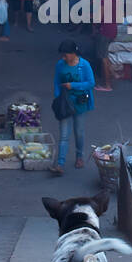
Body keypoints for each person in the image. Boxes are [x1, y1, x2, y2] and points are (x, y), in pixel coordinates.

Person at [51, 39, 95, 176]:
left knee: (79, 132)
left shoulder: (84, 65)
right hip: (65, 103)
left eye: (66, 54)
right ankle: (60, 163)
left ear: (73, 53)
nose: (64, 57)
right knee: (64, 135)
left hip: (80, 103)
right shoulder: (60, 65)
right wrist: (58, 98)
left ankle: (79, 157)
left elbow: (91, 83)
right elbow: (57, 82)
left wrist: (73, 86)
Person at [92, 0, 127, 91]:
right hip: (113, 30)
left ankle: (107, 85)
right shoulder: (114, 0)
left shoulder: (103, 1)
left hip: (104, 31)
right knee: (104, 56)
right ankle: (114, 74)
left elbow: (98, 19)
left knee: (103, 58)